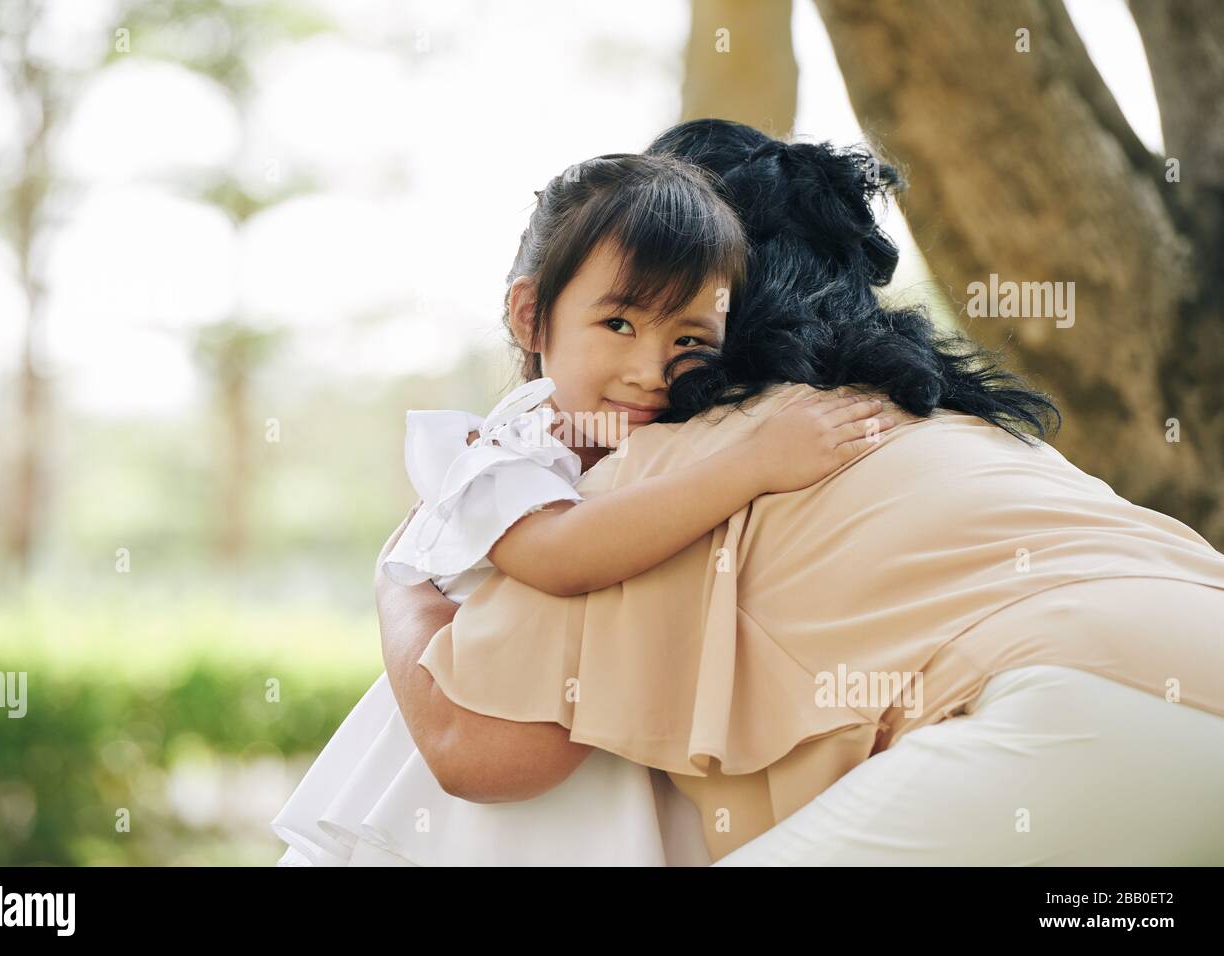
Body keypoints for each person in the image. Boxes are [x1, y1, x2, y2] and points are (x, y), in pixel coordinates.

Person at [361, 120, 1224, 865]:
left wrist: (399, 583)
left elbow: (474, 749)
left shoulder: (689, 466)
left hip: (1065, 716)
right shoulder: (963, 427)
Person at [272, 151, 903, 866]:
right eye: (620, 325)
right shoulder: (499, 452)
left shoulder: (645, 453)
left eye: (689, 340)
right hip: (453, 806)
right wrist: (754, 463)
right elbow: (561, 555)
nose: (651, 370)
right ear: (531, 315)